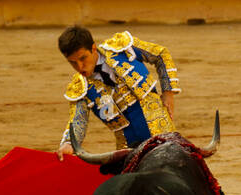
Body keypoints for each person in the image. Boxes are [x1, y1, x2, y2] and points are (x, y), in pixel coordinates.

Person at [56, 24, 180, 156]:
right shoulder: (80, 88)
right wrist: (68, 143)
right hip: (128, 149)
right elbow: (77, 120)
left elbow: (160, 54)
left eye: (83, 58)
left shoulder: (121, 48)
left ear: (93, 48)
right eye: (72, 62)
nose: (80, 66)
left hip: (162, 132)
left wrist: (168, 92)